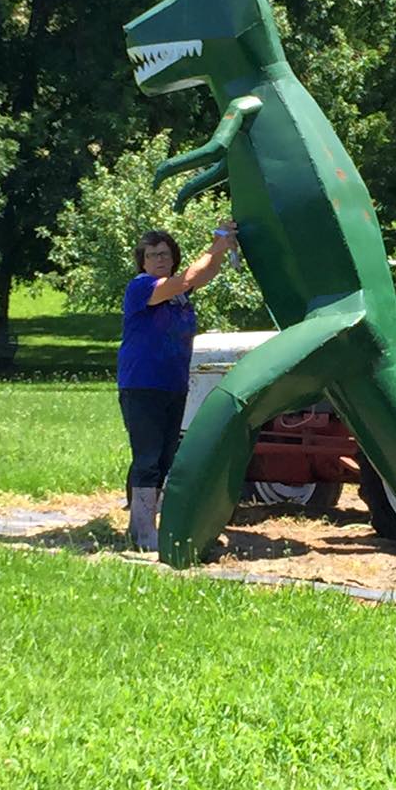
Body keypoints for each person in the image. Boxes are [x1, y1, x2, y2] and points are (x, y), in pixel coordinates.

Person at [117, 223, 237, 550]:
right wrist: (215, 244)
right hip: (142, 384)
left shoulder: (179, 292)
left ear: (173, 258)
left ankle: (145, 526)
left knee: (166, 458)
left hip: (173, 383)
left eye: (165, 254)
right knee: (148, 458)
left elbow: (201, 276)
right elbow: (187, 278)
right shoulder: (141, 287)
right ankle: (143, 533)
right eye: (152, 255)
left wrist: (222, 249)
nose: (158, 259)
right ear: (142, 261)